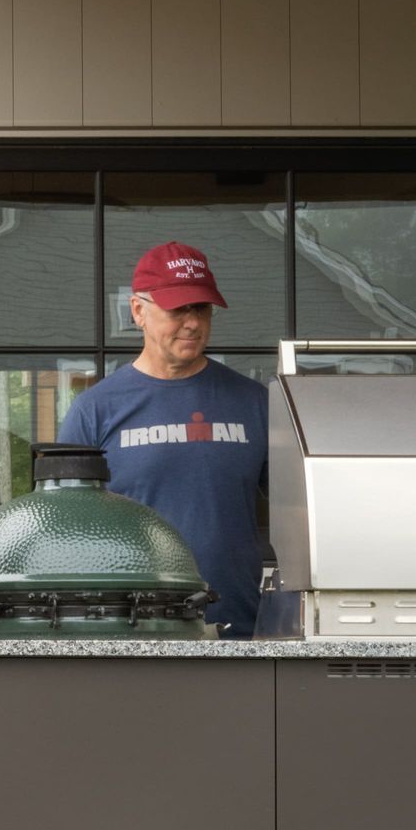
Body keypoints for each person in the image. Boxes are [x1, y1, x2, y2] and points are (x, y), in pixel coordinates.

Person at [56, 241, 269, 636]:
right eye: (178, 308)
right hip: (130, 632)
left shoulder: (255, 404)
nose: (192, 322)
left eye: (201, 308)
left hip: (237, 629)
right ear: (138, 310)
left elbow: (299, 514)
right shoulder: (95, 410)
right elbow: (66, 536)